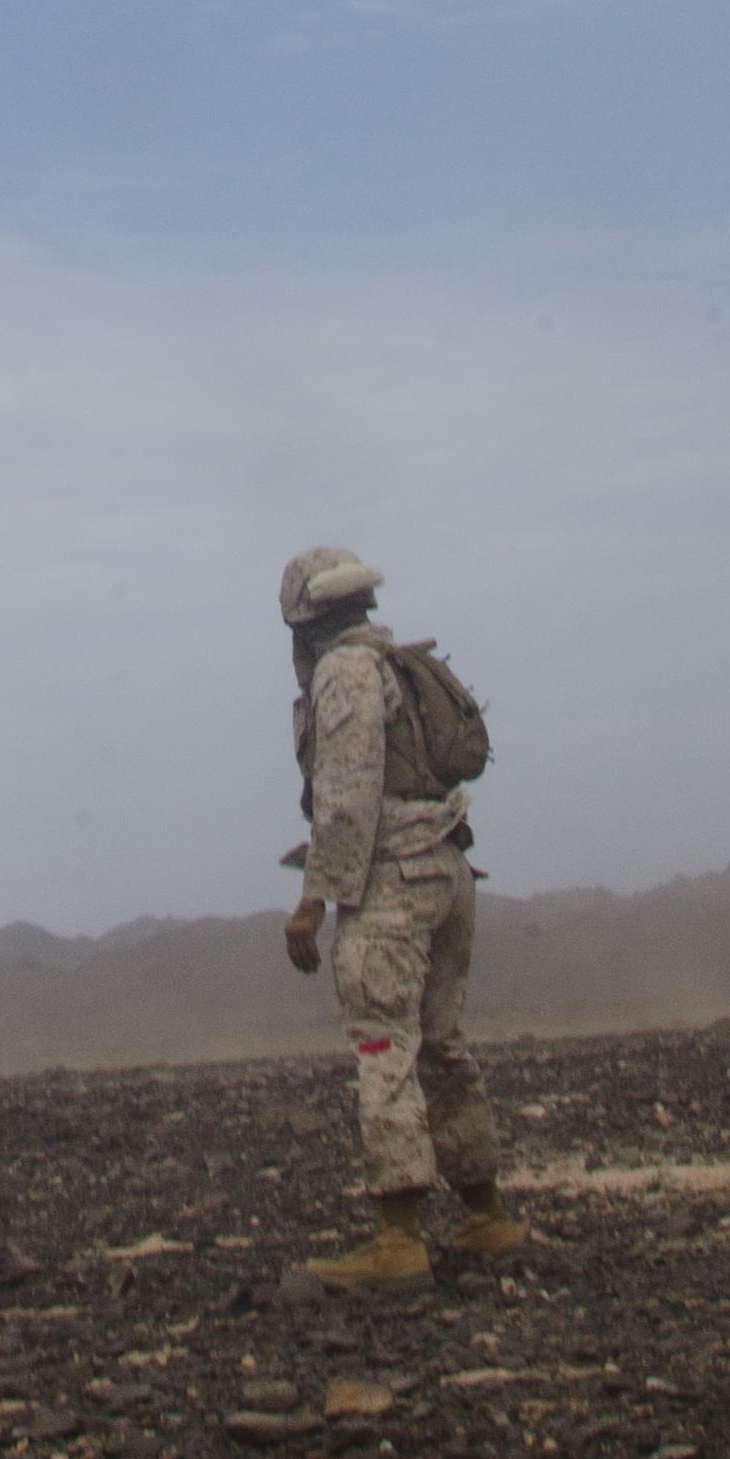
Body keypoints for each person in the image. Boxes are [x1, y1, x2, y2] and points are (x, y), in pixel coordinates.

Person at [278, 543, 525, 1289]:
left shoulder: (345, 672)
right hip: (448, 868)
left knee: (383, 1043)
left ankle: (398, 1239)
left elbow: (346, 797)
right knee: (442, 1046)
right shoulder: (395, 663)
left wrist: (313, 900)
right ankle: (485, 1215)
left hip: (392, 883)